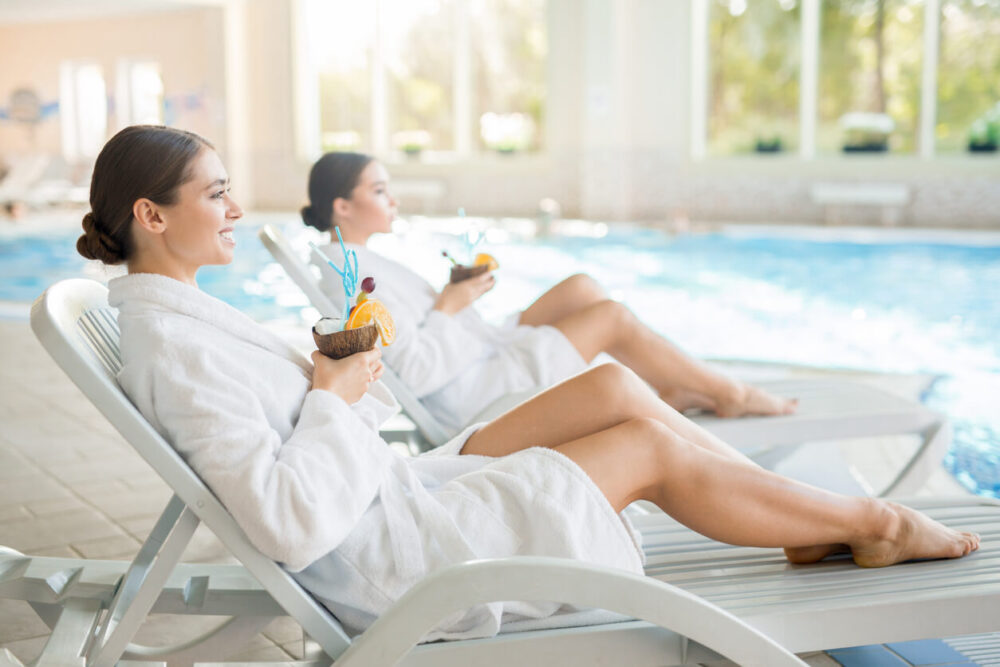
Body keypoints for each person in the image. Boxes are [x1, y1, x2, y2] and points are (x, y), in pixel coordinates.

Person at [78, 125, 978, 641]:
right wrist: (332, 394)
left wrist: (336, 379)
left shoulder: (180, 322)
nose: (236, 208)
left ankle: (800, 515)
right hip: (396, 557)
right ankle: (874, 522)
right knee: (645, 443)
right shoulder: (177, 348)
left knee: (611, 387)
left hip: (396, 494)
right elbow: (284, 520)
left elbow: (290, 447)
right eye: (216, 193)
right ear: (152, 214)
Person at [302, 152, 797, 438]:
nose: (394, 200)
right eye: (380, 191)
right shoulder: (349, 276)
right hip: (476, 390)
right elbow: (414, 369)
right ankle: (732, 394)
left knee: (580, 287)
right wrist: (451, 304)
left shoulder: (356, 259)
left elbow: (416, 332)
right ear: (343, 206)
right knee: (610, 317)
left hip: (477, 352)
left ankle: (674, 388)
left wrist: (456, 299)